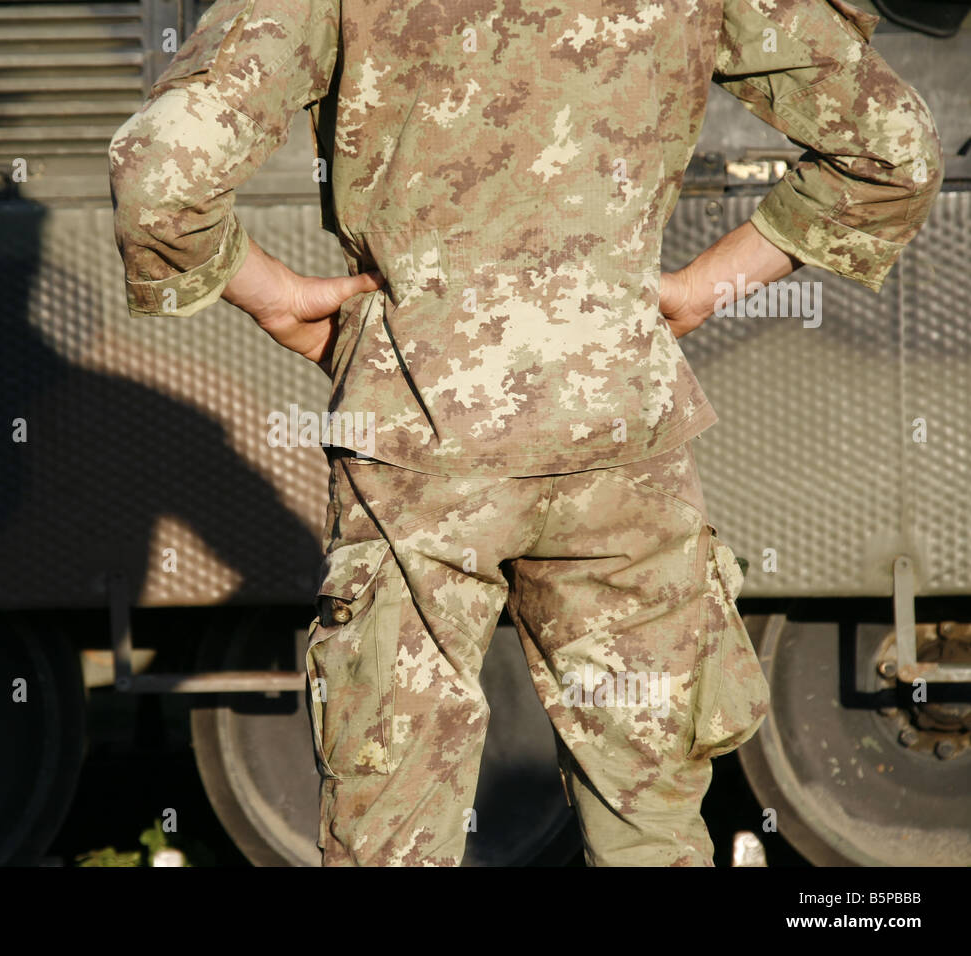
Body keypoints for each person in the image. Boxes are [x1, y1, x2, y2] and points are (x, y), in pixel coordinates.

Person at [107, 0, 944, 865]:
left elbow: (161, 173)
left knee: (391, 836)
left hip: (419, 453)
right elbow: (895, 149)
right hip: (622, 446)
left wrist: (275, 294)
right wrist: (702, 288)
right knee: (651, 832)